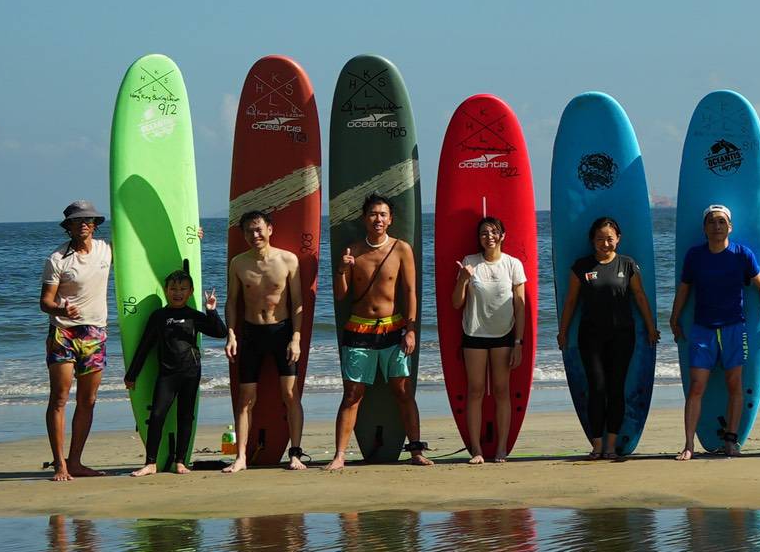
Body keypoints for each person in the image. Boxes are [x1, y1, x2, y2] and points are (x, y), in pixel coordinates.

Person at [668, 204, 760, 460]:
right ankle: (688, 445)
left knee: (734, 385)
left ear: (729, 226)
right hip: (702, 329)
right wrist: (674, 319)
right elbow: (684, 290)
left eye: (721, 222)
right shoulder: (695, 256)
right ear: (704, 227)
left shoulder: (742, 254)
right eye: (711, 222)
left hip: (733, 328)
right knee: (696, 387)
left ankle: (731, 441)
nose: (716, 226)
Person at [329, 196, 431, 469]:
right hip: (358, 328)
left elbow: (410, 292)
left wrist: (410, 330)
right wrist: (342, 269)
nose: (378, 219)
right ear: (365, 218)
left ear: (391, 219)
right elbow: (341, 296)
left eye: (383, 214)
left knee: (402, 390)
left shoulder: (401, 249)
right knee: (352, 393)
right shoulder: (354, 250)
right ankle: (339, 455)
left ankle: (416, 450)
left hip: (393, 328)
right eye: (373, 214)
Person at [561, 214, 663, 462]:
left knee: (616, 389)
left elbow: (639, 297)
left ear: (618, 239)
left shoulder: (627, 265)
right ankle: (597, 445)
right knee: (597, 388)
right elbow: (571, 301)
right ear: (592, 240)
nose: (605, 243)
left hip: (622, 336)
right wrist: (562, 332)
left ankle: (612, 445)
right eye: (599, 239)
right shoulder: (581, 266)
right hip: (591, 337)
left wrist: (651, 327)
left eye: (609, 239)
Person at [224, 209, 309, 472]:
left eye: (259, 229)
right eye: (249, 230)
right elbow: (232, 301)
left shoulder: (288, 260)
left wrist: (296, 338)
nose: (255, 234)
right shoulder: (238, 263)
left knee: (290, 394)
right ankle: (241, 458)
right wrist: (231, 333)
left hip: (281, 331)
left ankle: (295, 453)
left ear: (270, 229)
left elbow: (297, 303)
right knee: (245, 398)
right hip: (251, 333)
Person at [125, 266, 228, 476]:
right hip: (167, 374)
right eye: (173, 288)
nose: (177, 292)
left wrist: (211, 310)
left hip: (191, 372)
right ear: (165, 290)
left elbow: (220, 332)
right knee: (156, 415)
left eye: (183, 288)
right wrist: (132, 374)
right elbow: (145, 345)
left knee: (185, 416)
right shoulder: (159, 317)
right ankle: (150, 463)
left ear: (190, 292)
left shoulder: (193, 316)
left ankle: (181, 461)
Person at [40, 200, 113, 482]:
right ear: (68, 227)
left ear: (95, 225)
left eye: (89, 220)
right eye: (78, 220)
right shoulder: (57, 260)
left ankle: (76, 461)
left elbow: (142, 244)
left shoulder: (107, 250)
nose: (84, 223)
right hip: (64, 333)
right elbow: (45, 302)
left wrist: (189, 236)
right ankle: (60, 465)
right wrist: (61, 309)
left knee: (88, 400)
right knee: (59, 398)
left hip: (94, 333)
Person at [452, 215, 531, 463]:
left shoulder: (513, 264)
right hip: (474, 334)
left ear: (502, 236)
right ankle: (475, 450)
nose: (489, 237)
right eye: (484, 233)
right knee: (474, 391)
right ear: (479, 238)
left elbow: (520, 306)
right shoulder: (470, 262)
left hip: (504, 336)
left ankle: (501, 448)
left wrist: (518, 343)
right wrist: (464, 278)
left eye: (494, 232)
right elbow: (456, 303)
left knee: (501, 391)